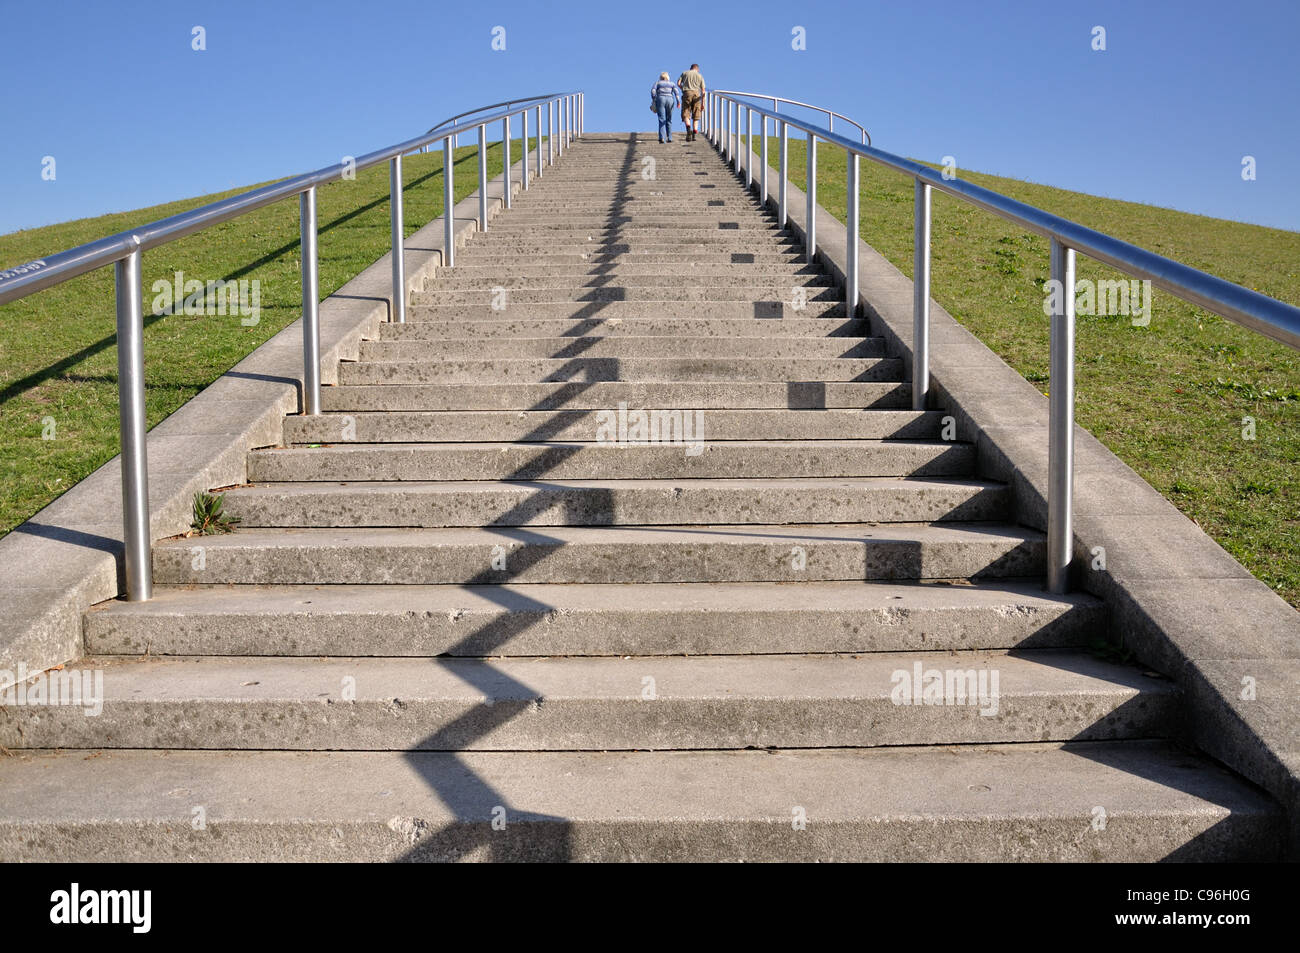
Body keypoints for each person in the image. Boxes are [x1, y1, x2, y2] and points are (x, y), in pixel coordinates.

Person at [677, 64, 706, 142]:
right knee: (696, 115)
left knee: (686, 113)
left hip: (687, 93)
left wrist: (683, 89)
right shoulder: (700, 76)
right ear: (697, 69)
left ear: (690, 68)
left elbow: (678, 83)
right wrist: (703, 103)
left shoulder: (685, 73)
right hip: (697, 94)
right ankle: (694, 134)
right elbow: (703, 91)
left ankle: (688, 130)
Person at [650, 72, 680, 143]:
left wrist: (654, 98)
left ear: (661, 77)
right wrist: (678, 101)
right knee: (669, 119)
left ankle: (662, 137)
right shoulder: (672, 84)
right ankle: (669, 137)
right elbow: (676, 92)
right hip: (670, 100)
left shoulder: (657, 83)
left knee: (661, 119)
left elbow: (653, 91)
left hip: (660, 99)